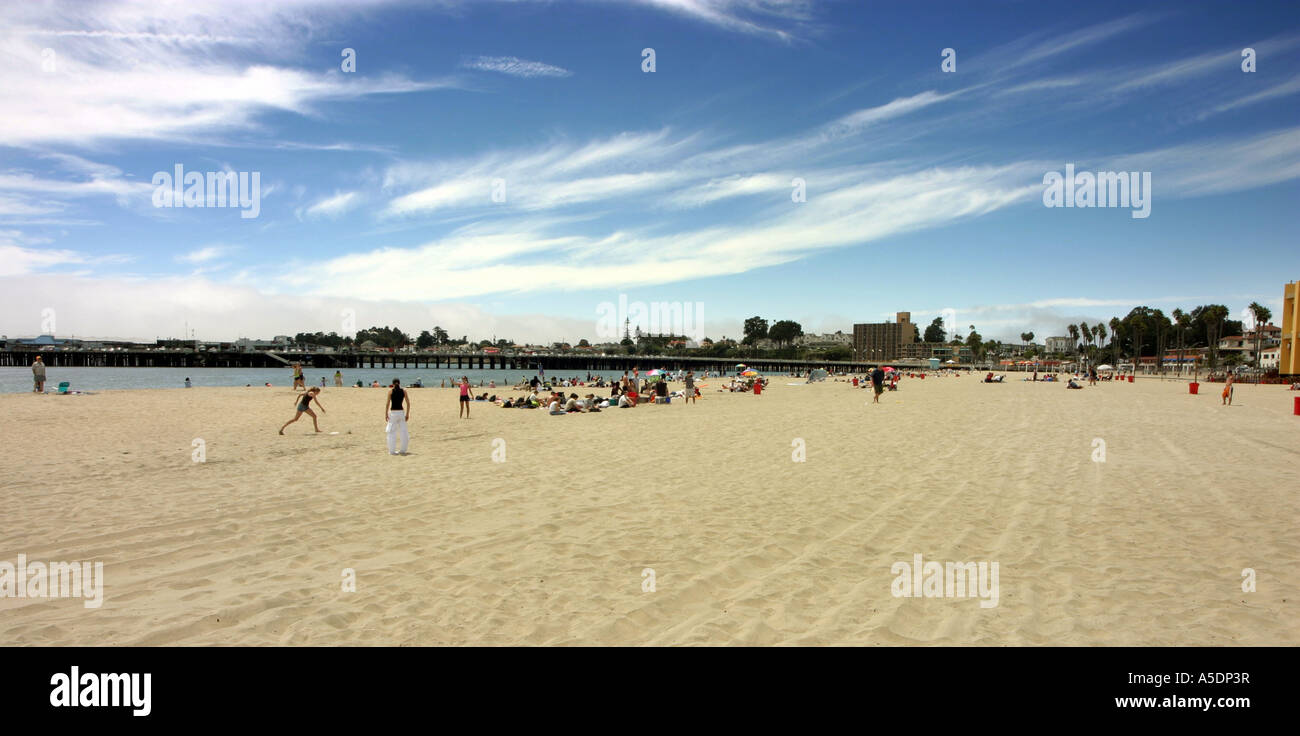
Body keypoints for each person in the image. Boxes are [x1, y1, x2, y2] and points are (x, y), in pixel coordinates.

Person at [385, 379, 411, 455]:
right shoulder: (404, 391)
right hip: (401, 413)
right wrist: (407, 414)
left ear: (392, 384)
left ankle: (392, 451)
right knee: (404, 432)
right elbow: (408, 403)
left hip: (393, 413)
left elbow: (387, 404)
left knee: (391, 432)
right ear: (399, 383)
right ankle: (403, 450)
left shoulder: (390, 391)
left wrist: (386, 414)